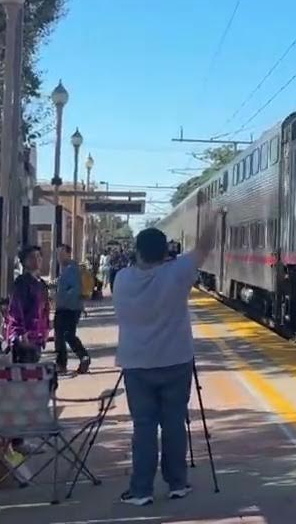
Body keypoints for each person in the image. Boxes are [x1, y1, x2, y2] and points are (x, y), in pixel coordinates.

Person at [112, 214, 215, 506]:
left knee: (143, 427)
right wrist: (215, 215)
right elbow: (205, 247)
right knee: (173, 423)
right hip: (176, 361)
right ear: (166, 252)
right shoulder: (178, 272)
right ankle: (177, 483)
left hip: (136, 364)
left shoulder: (121, 279)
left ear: (137, 251)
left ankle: (141, 490)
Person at [4, 245, 50, 364]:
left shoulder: (41, 284)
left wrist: (45, 331)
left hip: (37, 338)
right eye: (32, 257)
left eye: (39, 256)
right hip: (24, 338)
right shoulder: (22, 283)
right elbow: (15, 309)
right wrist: (20, 332)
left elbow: (45, 311)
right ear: (24, 261)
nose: (37, 260)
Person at [53, 244, 92, 374]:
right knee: (68, 335)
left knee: (60, 335)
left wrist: (61, 298)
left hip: (67, 307)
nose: (59, 256)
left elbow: (73, 289)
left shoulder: (71, 269)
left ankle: (62, 364)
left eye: (61, 253)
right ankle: (83, 357)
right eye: (58, 253)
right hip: (72, 307)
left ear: (69, 254)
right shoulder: (68, 269)